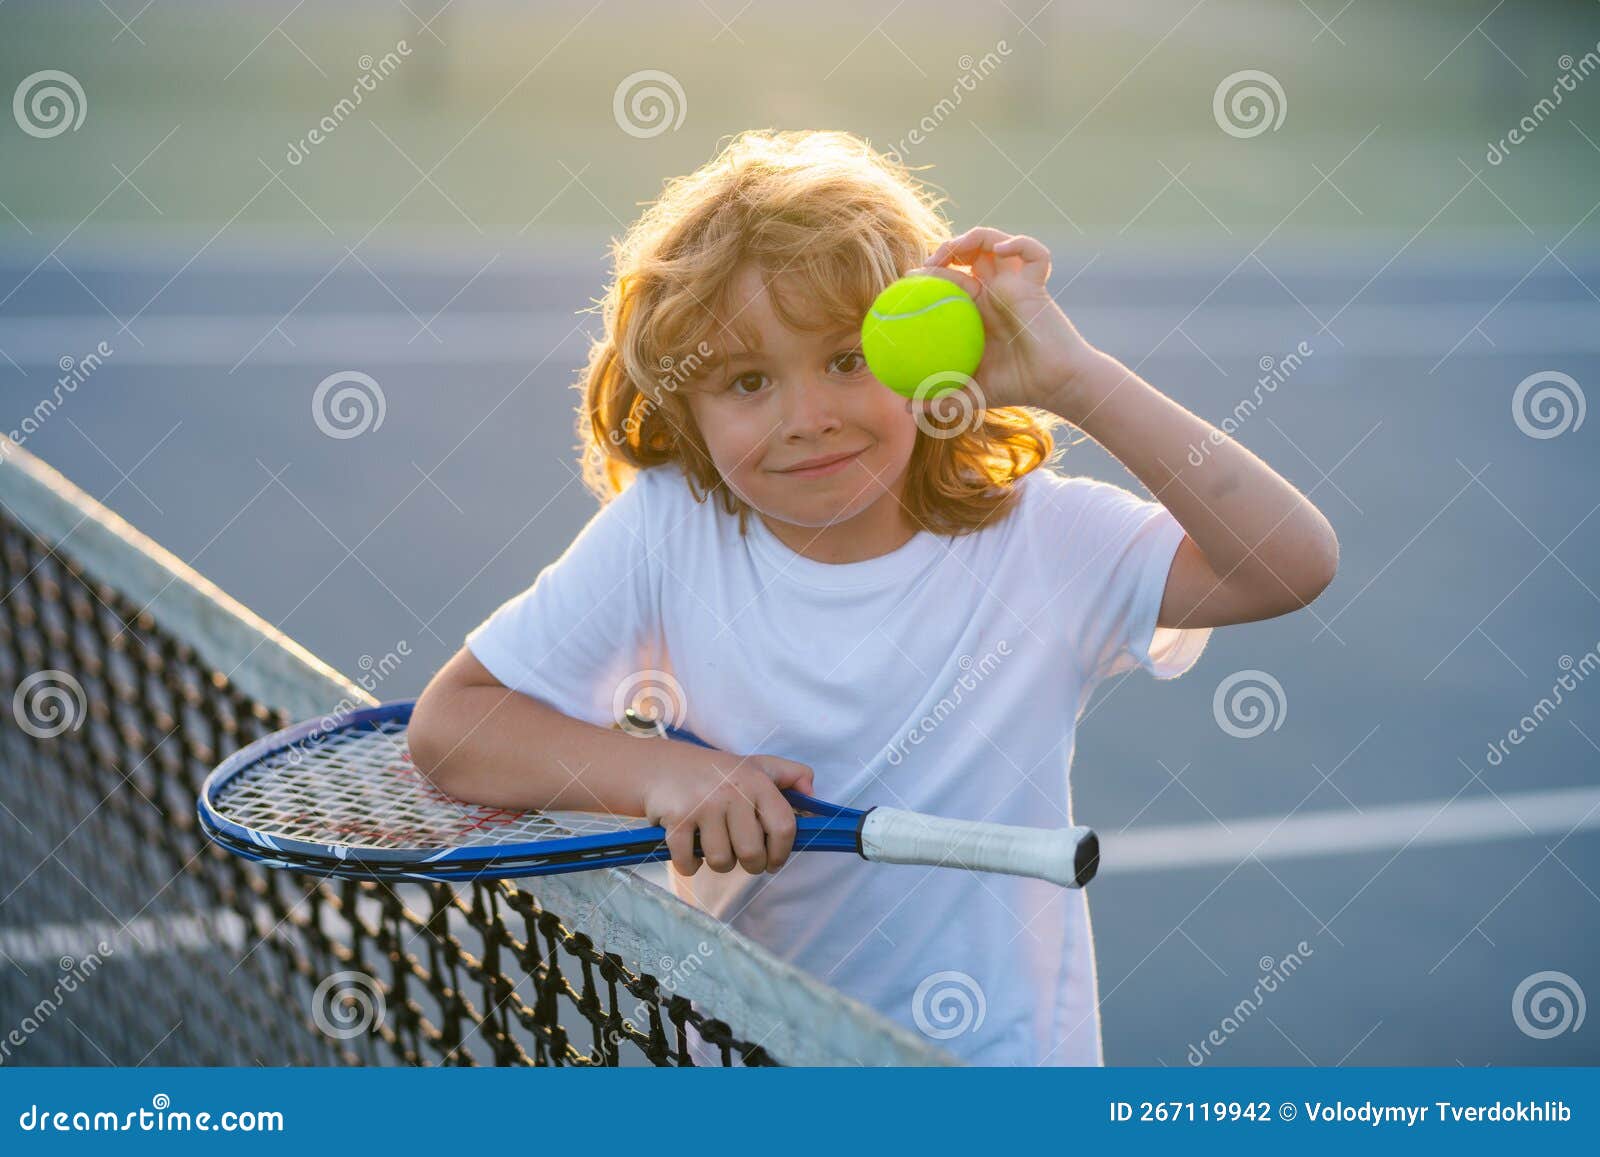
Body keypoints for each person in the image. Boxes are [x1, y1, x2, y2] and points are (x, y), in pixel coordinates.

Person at [408, 129, 1338, 1065]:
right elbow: (454, 726)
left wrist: (1073, 378)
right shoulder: (671, 528)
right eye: (747, 380)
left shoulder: (1038, 540)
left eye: (847, 360)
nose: (806, 417)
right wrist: (670, 777)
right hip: (755, 1052)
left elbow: (1289, 562)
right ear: (685, 408)